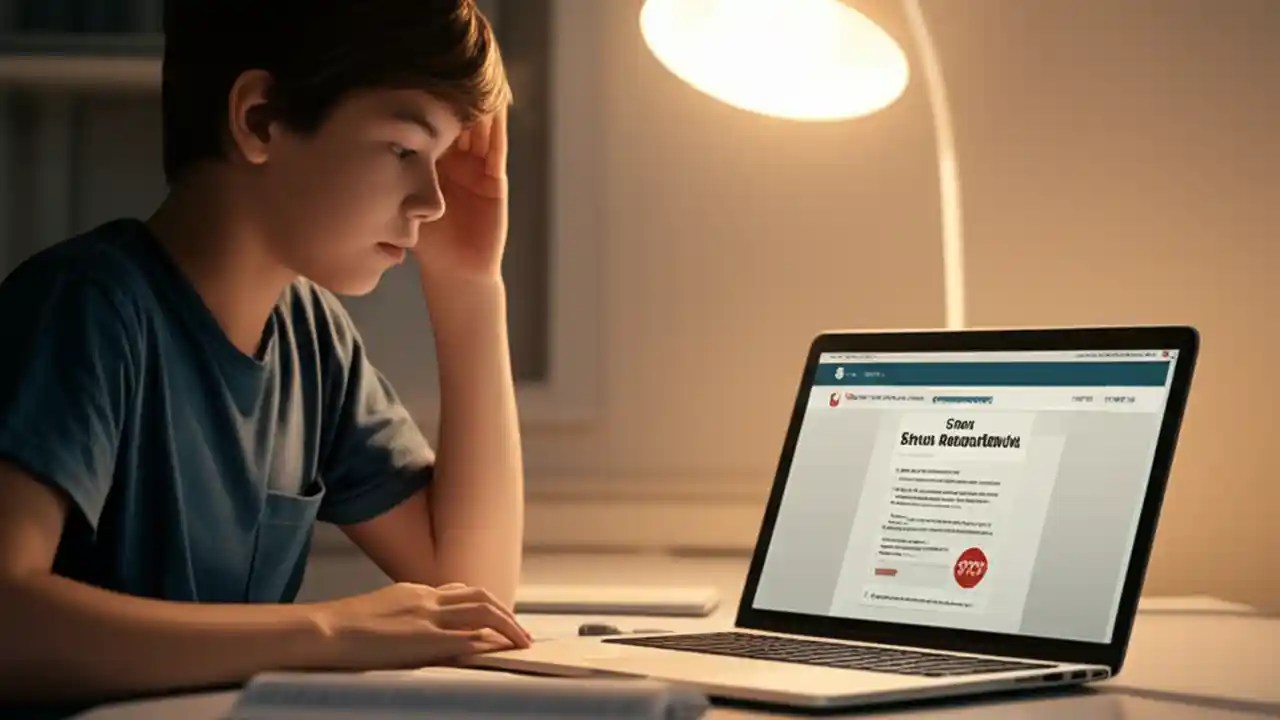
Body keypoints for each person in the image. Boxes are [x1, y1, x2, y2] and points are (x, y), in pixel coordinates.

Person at [0, 0, 532, 707]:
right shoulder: (87, 308)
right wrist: (327, 631)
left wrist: (470, 285)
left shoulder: (314, 339)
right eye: (406, 149)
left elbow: (473, 601)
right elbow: (8, 622)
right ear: (259, 120)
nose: (433, 199)